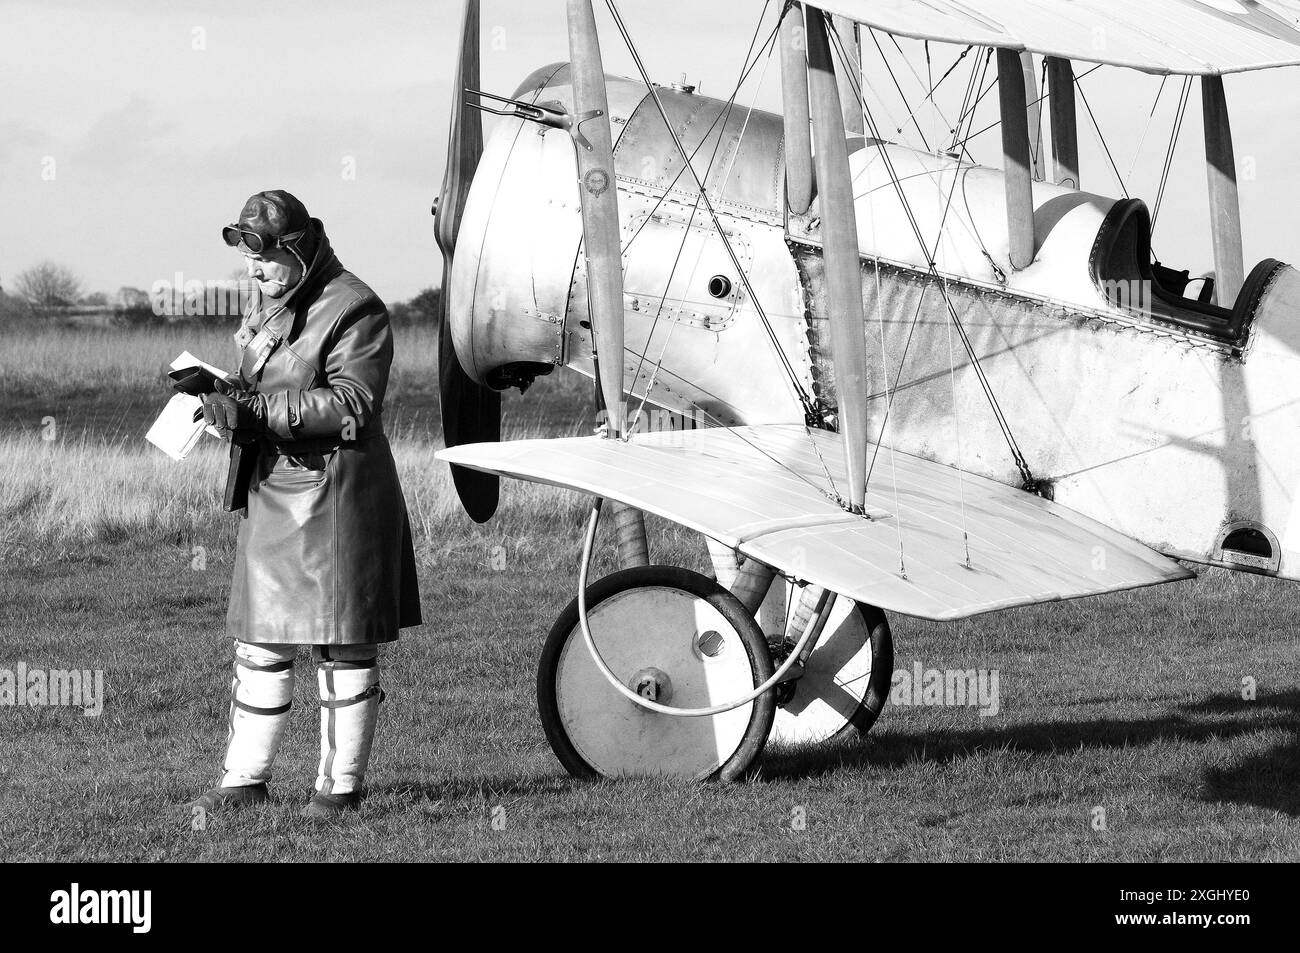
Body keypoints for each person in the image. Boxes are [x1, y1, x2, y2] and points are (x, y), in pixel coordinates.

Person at [189, 190, 422, 819]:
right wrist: (224, 397)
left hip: (338, 494)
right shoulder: (270, 297)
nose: (254, 272)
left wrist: (258, 411)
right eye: (248, 259)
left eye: (265, 259)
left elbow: (353, 405)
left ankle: (338, 789)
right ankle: (244, 779)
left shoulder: (356, 307)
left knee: (343, 648)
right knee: (260, 642)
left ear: (297, 247)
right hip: (275, 487)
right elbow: (272, 381)